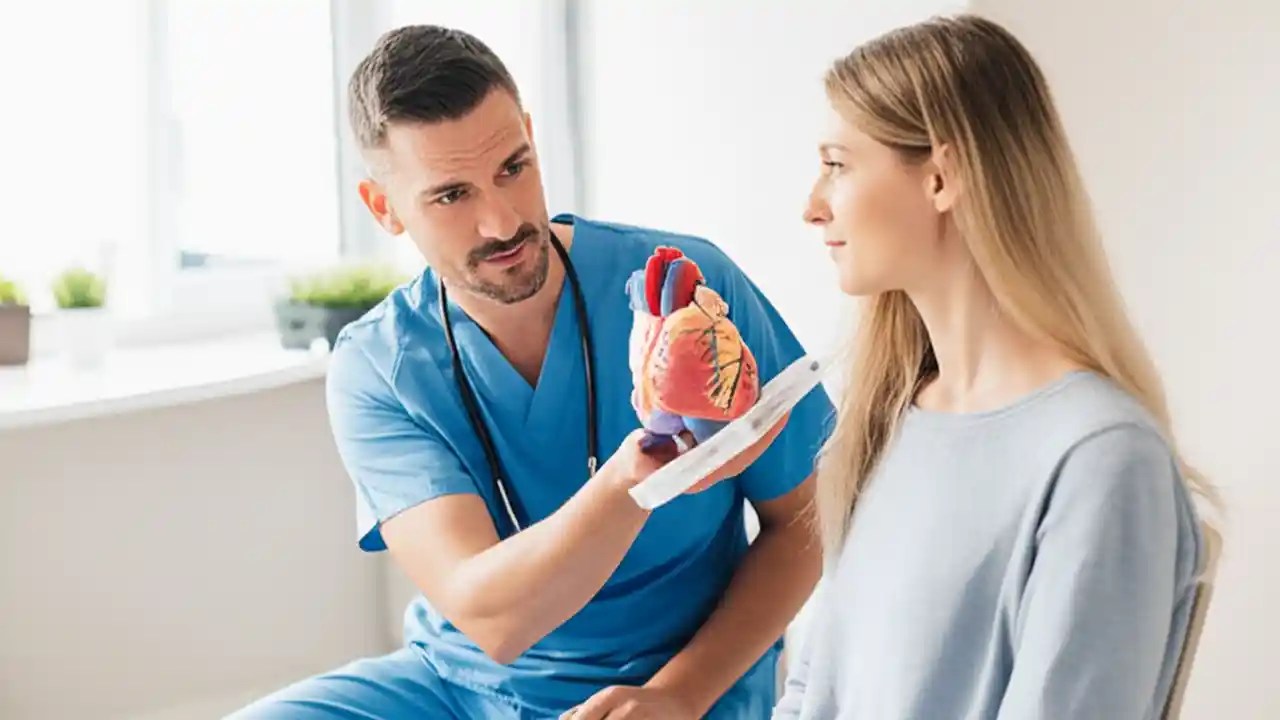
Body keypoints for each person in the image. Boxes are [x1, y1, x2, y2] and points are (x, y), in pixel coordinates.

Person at [231, 24, 832, 720]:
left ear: (532, 138)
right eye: (451, 196)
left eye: (513, 168)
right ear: (384, 207)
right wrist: (635, 477)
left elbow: (807, 521)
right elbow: (494, 622)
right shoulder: (378, 366)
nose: (501, 222)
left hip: (668, 684)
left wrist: (680, 693)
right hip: (458, 686)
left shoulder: (684, 288)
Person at [774, 14, 1212, 720]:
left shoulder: (1101, 458)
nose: (812, 207)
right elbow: (810, 694)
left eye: (837, 164)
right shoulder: (893, 424)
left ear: (941, 178)